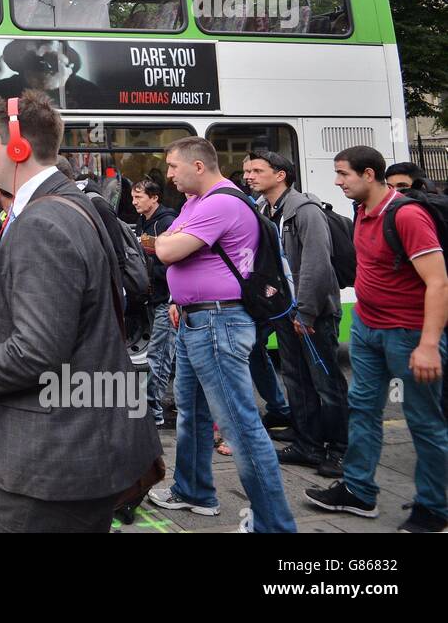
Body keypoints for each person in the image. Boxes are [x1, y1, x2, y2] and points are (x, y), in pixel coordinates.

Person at [0, 92, 161, 533]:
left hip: (55, 462)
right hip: (75, 450)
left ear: (18, 147)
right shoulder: (65, 204)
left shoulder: (41, 223)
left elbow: (37, 352)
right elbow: (68, 313)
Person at [145, 136, 296, 532]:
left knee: (240, 426)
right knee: (192, 412)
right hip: (195, 320)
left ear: (198, 166)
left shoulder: (221, 202)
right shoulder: (196, 203)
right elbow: (168, 241)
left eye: (174, 166)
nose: (169, 174)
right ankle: (195, 490)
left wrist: (166, 243)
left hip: (218, 324)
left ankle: (273, 525)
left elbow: (166, 250)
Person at [306, 146, 447, 533]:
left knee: (424, 421)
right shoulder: (362, 210)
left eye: (343, 174)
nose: (337, 182)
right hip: (367, 329)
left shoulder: (407, 215)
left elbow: (437, 281)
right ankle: (358, 490)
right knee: (363, 409)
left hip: (409, 333)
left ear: (369, 174)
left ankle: (435, 509)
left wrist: (429, 343)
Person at [243, 150, 348, 478]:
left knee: (326, 383)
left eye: (257, 170)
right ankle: (308, 442)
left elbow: (317, 265)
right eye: (247, 171)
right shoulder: (264, 209)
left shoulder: (304, 211)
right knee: (296, 380)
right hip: (284, 311)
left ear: (281, 175)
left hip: (312, 314)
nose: (249, 176)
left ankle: (341, 449)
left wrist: (306, 312)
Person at [132, 178, 178, 428]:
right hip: (153, 296)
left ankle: (153, 411)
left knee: (158, 357)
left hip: (166, 299)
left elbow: (172, 263)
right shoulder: (144, 221)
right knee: (168, 354)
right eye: (133, 197)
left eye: (139, 197)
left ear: (154, 198)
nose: (134, 202)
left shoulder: (167, 222)